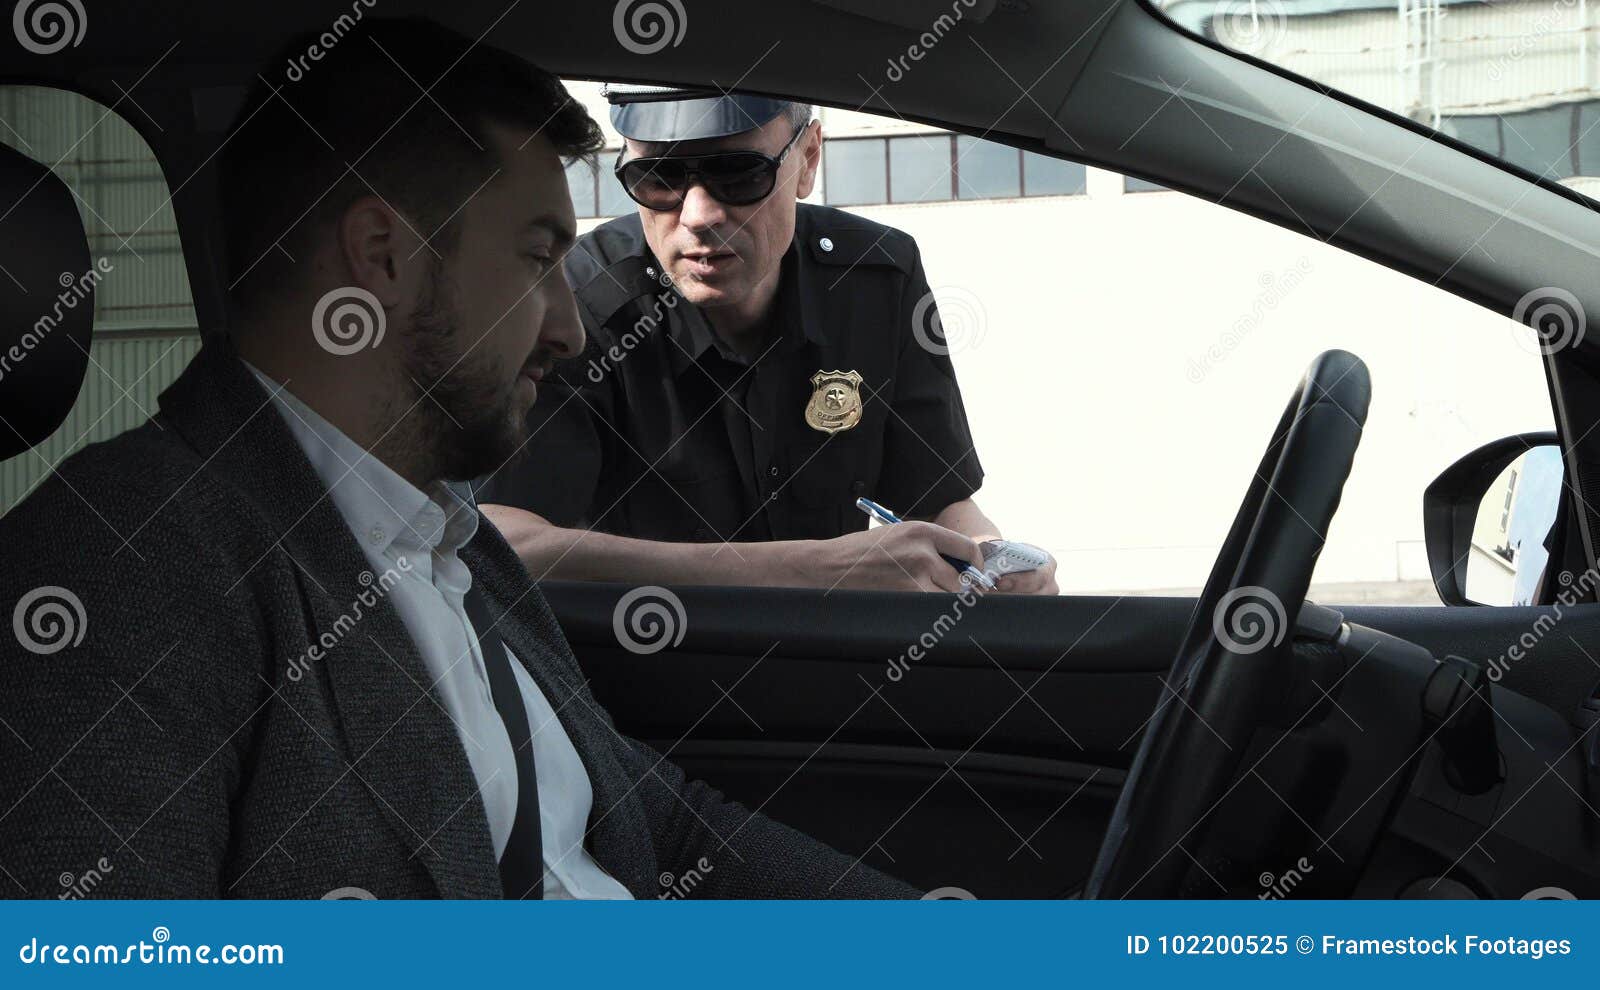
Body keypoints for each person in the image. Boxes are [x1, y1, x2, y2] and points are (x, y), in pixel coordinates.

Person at [0, 18, 914, 899]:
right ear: (384, 256)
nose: (565, 326)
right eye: (534, 258)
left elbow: (657, 826)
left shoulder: (454, 542)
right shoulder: (122, 565)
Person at [477, 86, 1058, 595]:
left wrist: (996, 562)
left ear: (807, 159)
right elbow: (508, 544)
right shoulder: (576, 305)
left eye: (737, 174)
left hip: (835, 677)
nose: (698, 214)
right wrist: (815, 569)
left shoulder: (879, 279)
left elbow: (937, 502)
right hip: (640, 689)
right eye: (660, 178)